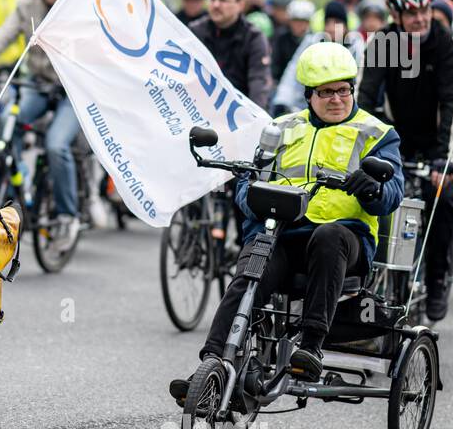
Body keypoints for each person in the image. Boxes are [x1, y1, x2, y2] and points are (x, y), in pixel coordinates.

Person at [169, 42, 403, 399]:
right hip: (283, 233)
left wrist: (371, 189)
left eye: (344, 90)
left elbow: (392, 197)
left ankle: (310, 346)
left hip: (343, 243)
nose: (337, 99)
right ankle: (212, 363)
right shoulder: (280, 128)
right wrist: (254, 201)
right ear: (309, 95)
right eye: (326, 92)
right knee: (250, 267)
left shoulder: (376, 133)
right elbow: (248, 182)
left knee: (329, 236)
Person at [359, 0, 453, 321]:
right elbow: (364, 96)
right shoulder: (383, 42)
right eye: (410, 12)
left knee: (444, 202)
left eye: (424, 10)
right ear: (395, 14)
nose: (420, 18)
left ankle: (436, 280)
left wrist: (444, 160)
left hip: (435, 144)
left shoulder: (447, 45)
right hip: (394, 142)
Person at [0, 0, 84, 245]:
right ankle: (19, 179)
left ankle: (66, 216)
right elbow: (4, 34)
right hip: (38, 85)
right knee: (7, 124)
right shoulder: (27, 5)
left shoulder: (77, 11)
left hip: (70, 91)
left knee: (55, 144)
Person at [189, 0, 272, 109]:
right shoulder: (195, 32)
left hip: (238, 113)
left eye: (223, 0)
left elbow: (259, 83)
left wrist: (257, 121)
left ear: (240, 4)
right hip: (197, 109)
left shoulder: (253, 38)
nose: (216, 5)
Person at [270, 0, 311, 84]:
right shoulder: (281, 38)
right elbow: (275, 66)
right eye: (295, 20)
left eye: (303, 21)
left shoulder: (314, 40)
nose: (299, 25)